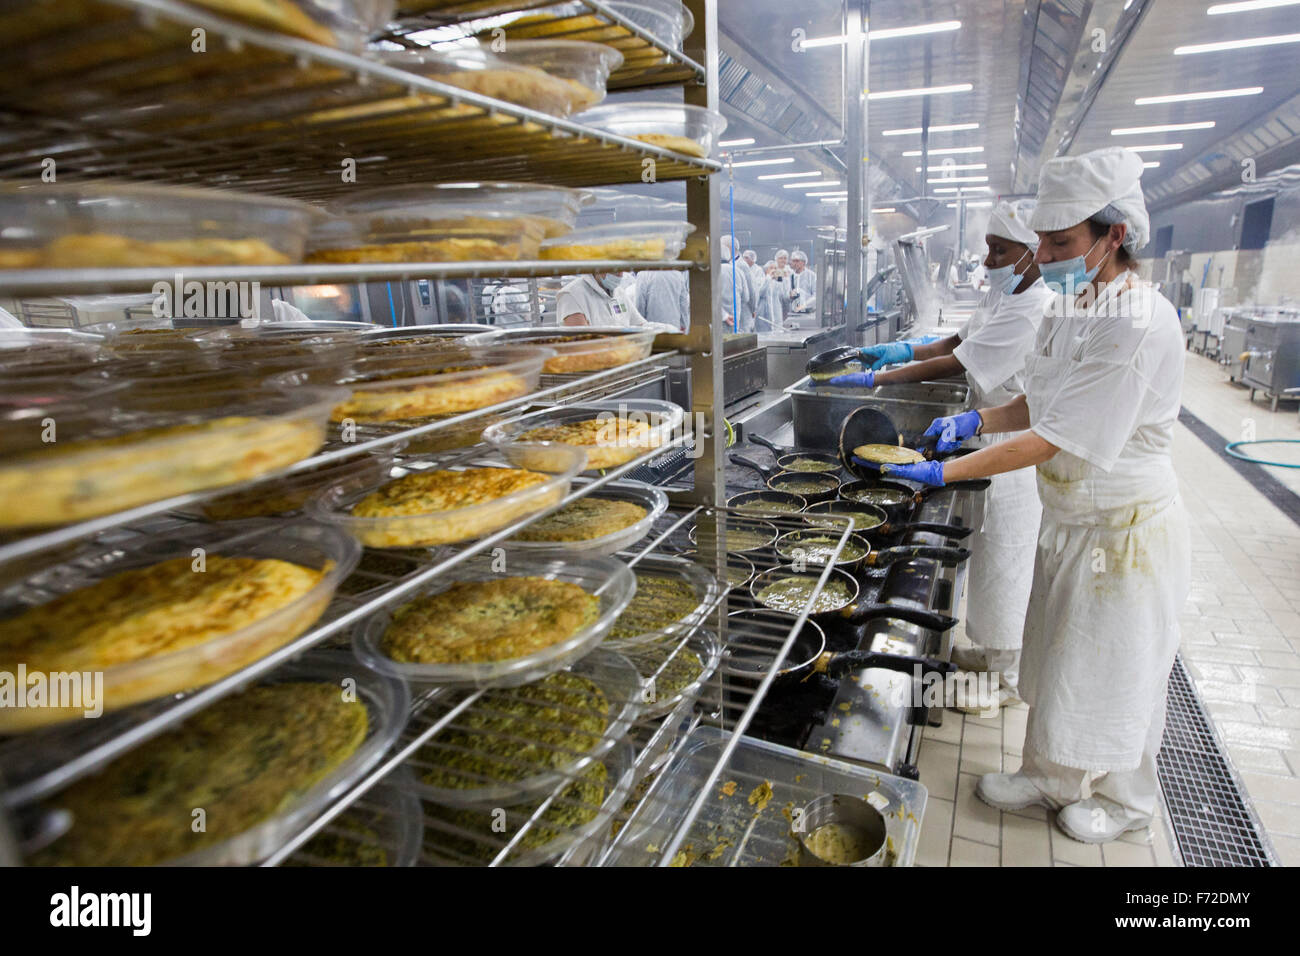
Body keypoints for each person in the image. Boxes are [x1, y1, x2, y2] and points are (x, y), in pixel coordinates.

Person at [860, 147, 1189, 845]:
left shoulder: (1137, 322)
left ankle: (1130, 804)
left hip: (1123, 528)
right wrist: (978, 419)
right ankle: (1051, 775)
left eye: (1061, 241)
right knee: (1063, 657)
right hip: (1075, 517)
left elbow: (1056, 435)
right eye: (1042, 239)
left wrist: (946, 471)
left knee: (1118, 664)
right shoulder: (1079, 304)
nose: (1045, 253)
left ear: (1114, 236)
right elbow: (1038, 399)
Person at [829, 200, 1052, 710]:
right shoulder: (1005, 295)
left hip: (1007, 436)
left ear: (1032, 253)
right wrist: (903, 350)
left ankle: (1003, 680)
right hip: (988, 425)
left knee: (1007, 559)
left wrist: (877, 378)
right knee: (990, 557)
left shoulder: (1031, 307)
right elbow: (955, 339)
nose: (990, 259)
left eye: (1001, 250)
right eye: (989, 248)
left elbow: (955, 362)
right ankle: (993, 653)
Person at [556, 272, 635, 326]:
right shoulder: (571, 296)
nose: (620, 274)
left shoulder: (619, 292)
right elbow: (583, 344)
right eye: (615, 268)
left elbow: (640, 324)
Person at [717, 235, 756, 332]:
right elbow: (746, 296)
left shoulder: (741, 265)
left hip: (740, 316)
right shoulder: (735, 269)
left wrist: (753, 309)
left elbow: (752, 292)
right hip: (734, 316)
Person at [755, 259, 790, 332]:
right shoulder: (760, 280)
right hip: (763, 316)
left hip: (776, 315)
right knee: (764, 337)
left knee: (777, 336)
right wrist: (768, 278)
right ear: (766, 270)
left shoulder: (777, 283)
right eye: (771, 268)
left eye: (775, 268)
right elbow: (760, 293)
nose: (773, 270)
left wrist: (786, 279)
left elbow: (784, 295)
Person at [789, 249, 816, 315]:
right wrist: (789, 295)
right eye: (793, 261)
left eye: (797, 261)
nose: (795, 263)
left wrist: (804, 305)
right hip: (793, 312)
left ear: (804, 262)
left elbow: (816, 295)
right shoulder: (790, 276)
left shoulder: (811, 276)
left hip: (808, 312)